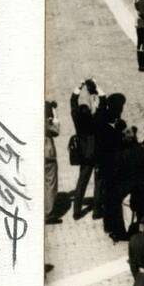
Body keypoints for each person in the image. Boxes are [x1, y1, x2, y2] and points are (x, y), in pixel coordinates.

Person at [68, 82, 100, 218]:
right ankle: (97, 211)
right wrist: (93, 90)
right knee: (99, 183)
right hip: (97, 153)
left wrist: (79, 87)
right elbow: (96, 105)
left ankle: (76, 210)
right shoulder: (94, 120)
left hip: (84, 155)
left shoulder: (77, 119)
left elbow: (73, 101)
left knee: (82, 182)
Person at [44, 101, 61, 223]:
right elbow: (56, 131)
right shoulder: (46, 122)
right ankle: (48, 214)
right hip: (47, 155)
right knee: (50, 183)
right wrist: (54, 116)